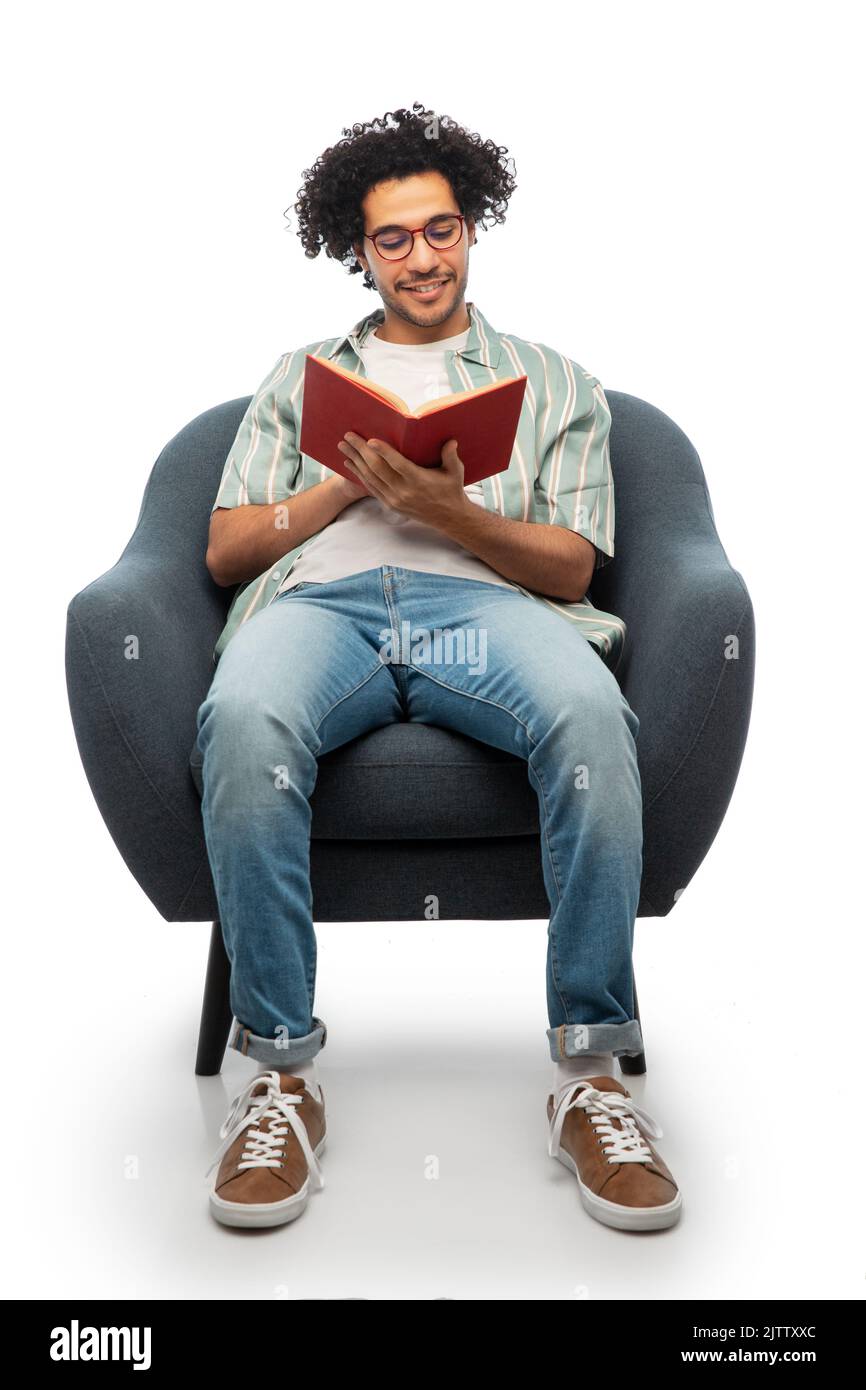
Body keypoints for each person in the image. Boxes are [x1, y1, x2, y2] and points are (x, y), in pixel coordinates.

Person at [197, 103, 682, 1234]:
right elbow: (226, 548)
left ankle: (590, 1075)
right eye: (393, 239)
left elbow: (568, 568)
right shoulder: (300, 375)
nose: (422, 257)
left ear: (474, 230)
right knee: (245, 720)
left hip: (486, 605)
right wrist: (348, 486)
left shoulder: (553, 382)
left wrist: (444, 512)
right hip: (322, 606)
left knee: (587, 714)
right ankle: (276, 1074)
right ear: (357, 252)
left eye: (442, 228)